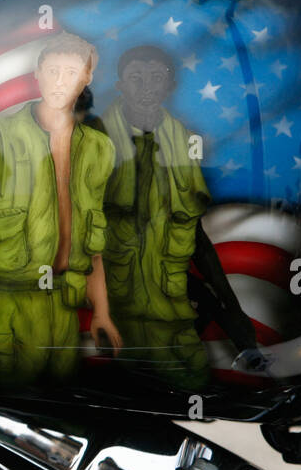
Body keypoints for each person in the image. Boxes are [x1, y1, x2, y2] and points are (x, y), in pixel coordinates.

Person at [0, 33, 122, 387]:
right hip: (11, 297)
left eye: (71, 72)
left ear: (87, 78)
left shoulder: (99, 149)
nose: (59, 82)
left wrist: (101, 309)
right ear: (37, 74)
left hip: (66, 302)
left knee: (60, 399)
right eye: (52, 70)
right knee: (15, 399)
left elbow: (92, 239)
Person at [98, 44, 258, 390]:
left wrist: (233, 309)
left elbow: (192, 230)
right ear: (120, 85)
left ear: (169, 86)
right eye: (136, 78)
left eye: (156, 78)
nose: (146, 87)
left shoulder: (183, 141)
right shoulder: (94, 141)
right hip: (112, 289)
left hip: (170, 286)